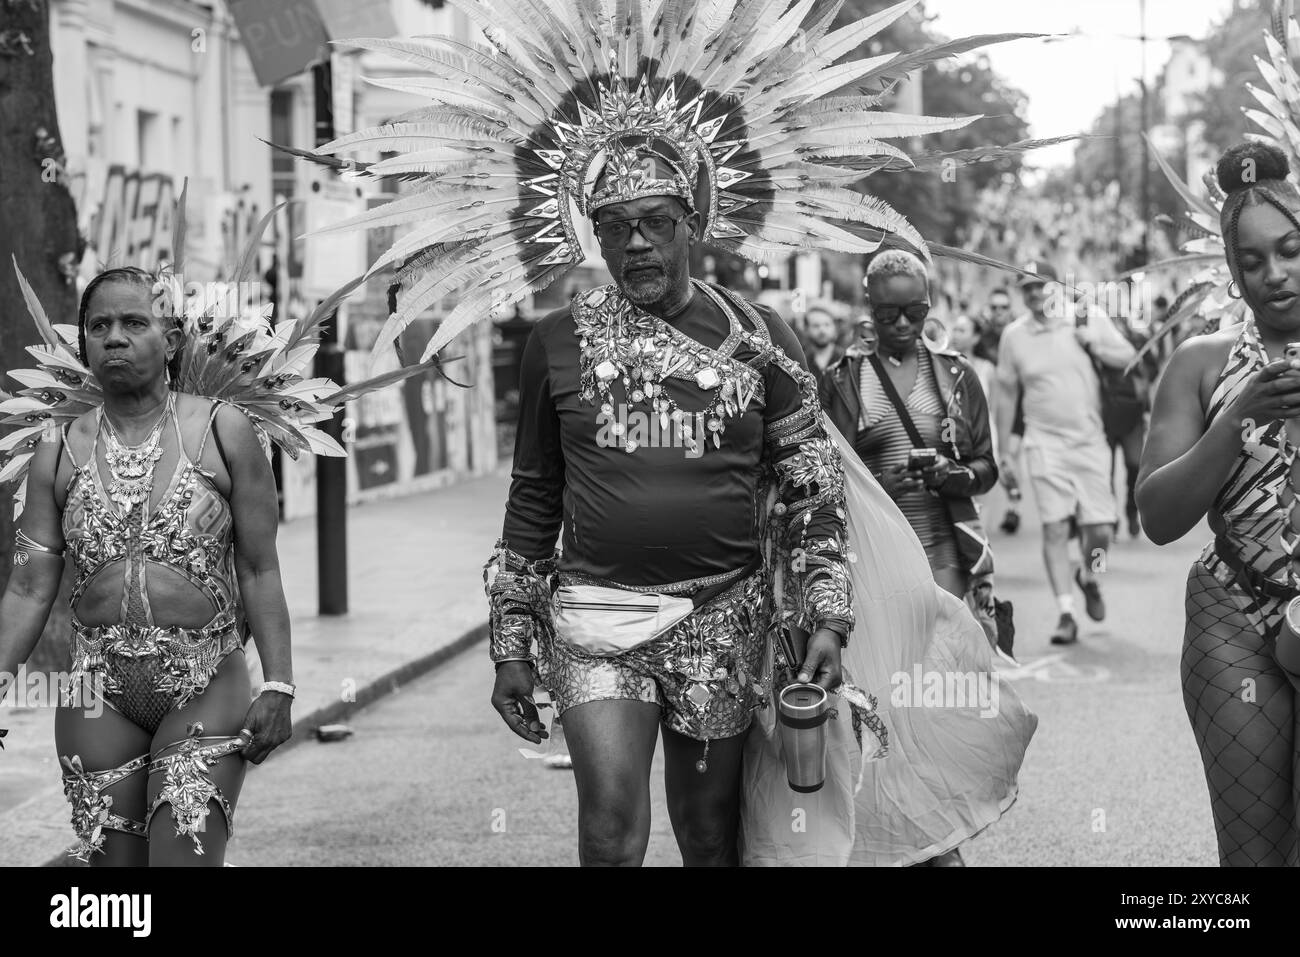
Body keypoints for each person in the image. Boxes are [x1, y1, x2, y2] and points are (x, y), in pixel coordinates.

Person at [0, 268, 296, 865]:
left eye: (134, 323)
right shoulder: (54, 451)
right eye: (99, 326)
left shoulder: (224, 430)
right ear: (82, 342)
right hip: (94, 694)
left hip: (206, 682)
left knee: (183, 860)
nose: (114, 338)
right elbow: (30, 587)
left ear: (172, 338)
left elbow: (260, 569)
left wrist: (280, 684)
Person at [1139, 141, 1300, 866]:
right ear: (1232, 269)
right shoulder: (1201, 363)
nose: (1276, 274)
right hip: (1234, 616)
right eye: (1253, 259)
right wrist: (1236, 418)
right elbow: (1158, 516)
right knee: (1255, 857)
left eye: (1291, 250)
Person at [819, 249, 1000, 866]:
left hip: (944, 562)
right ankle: (909, 843)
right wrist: (880, 485)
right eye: (890, 312)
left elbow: (985, 470)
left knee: (932, 705)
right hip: (874, 569)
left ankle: (934, 842)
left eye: (916, 312)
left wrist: (949, 474)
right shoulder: (842, 379)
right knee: (884, 707)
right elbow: (823, 473)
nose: (903, 325)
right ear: (869, 307)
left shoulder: (957, 375)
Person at [995, 262, 1135, 646]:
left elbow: (1129, 358)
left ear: (1057, 286)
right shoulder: (1014, 336)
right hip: (1043, 443)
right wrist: (1005, 450)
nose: (1035, 294)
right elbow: (1006, 392)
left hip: (1090, 441)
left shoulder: (1086, 316)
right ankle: (1066, 612)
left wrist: (1095, 343)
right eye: (1027, 289)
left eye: (1041, 286)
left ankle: (1091, 576)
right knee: (1055, 528)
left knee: (1101, 531)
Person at [803, 300, 845, 392]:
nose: (822, 330)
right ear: (806, 329)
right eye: (816, 325)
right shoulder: (801, 362)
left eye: (827, 325)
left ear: (834, 328)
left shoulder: (846, 359)